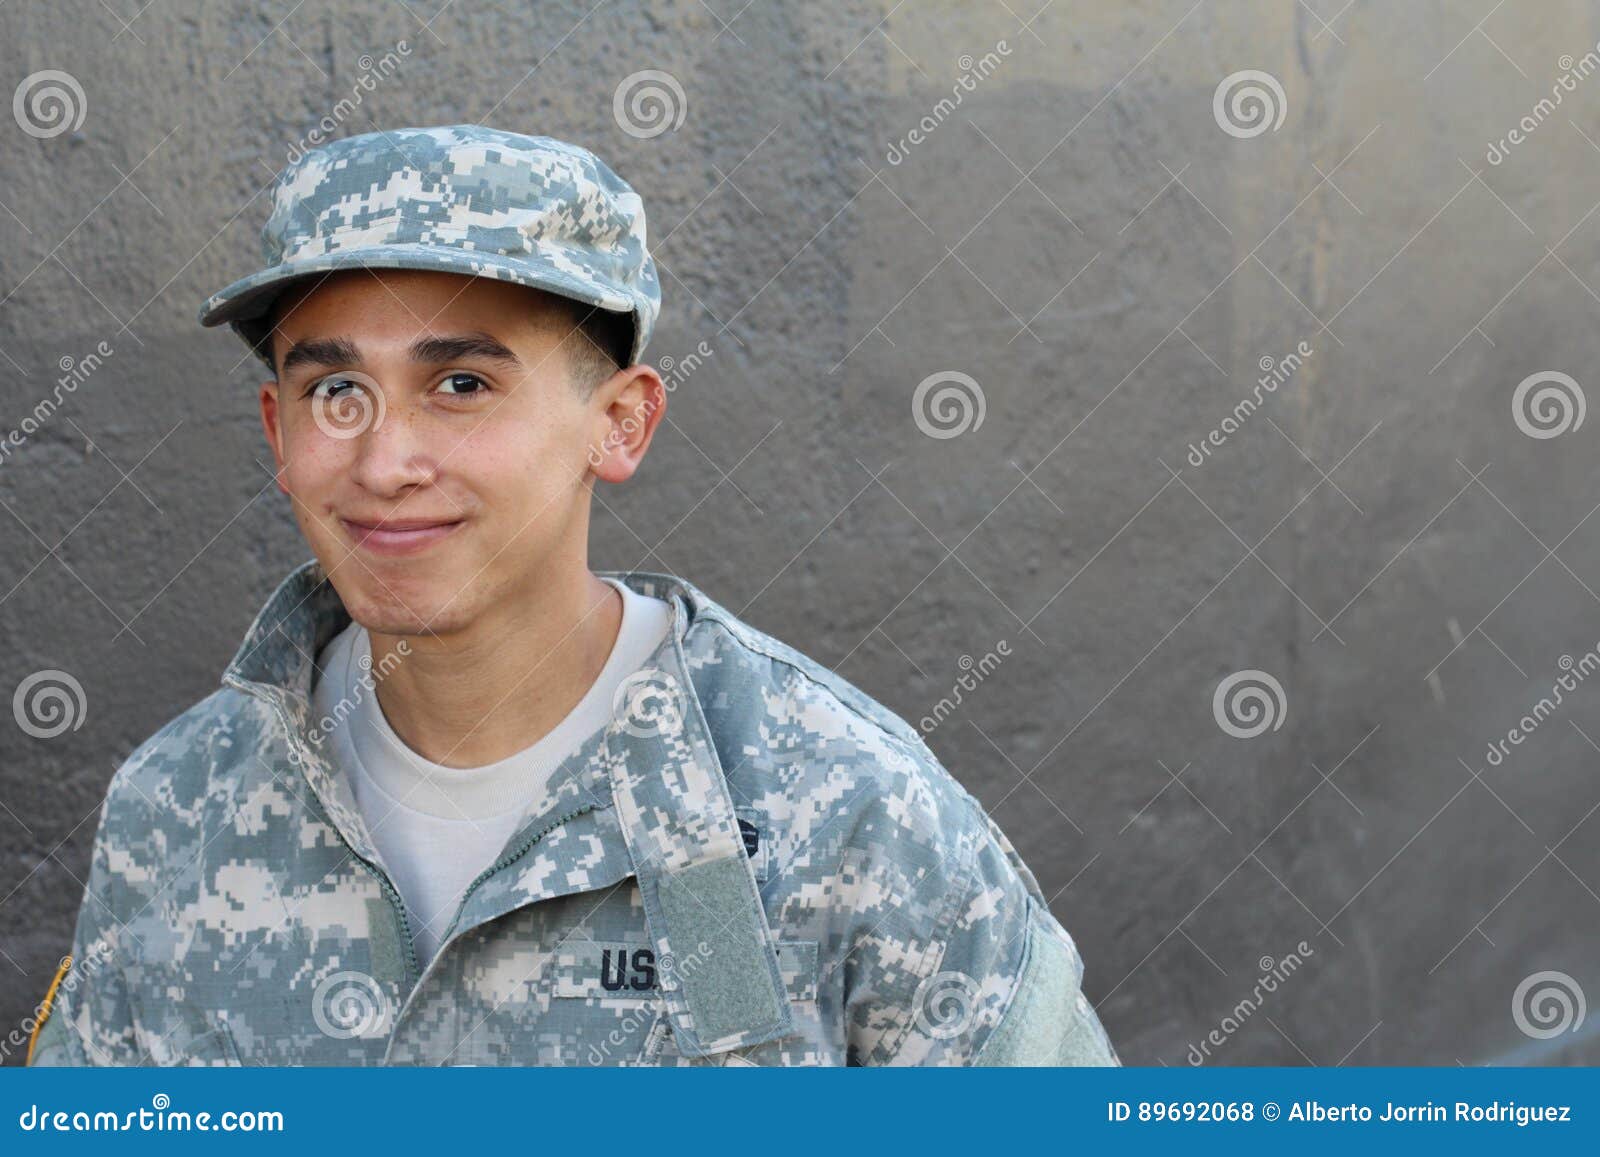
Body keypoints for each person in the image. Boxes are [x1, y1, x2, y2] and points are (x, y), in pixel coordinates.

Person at [27, 124, 1119, 1067]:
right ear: (278, 431)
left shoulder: (838, 811)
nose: (384, 459)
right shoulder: (178, 810)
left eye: (462, 383)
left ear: (622, 422)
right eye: (337, 390)